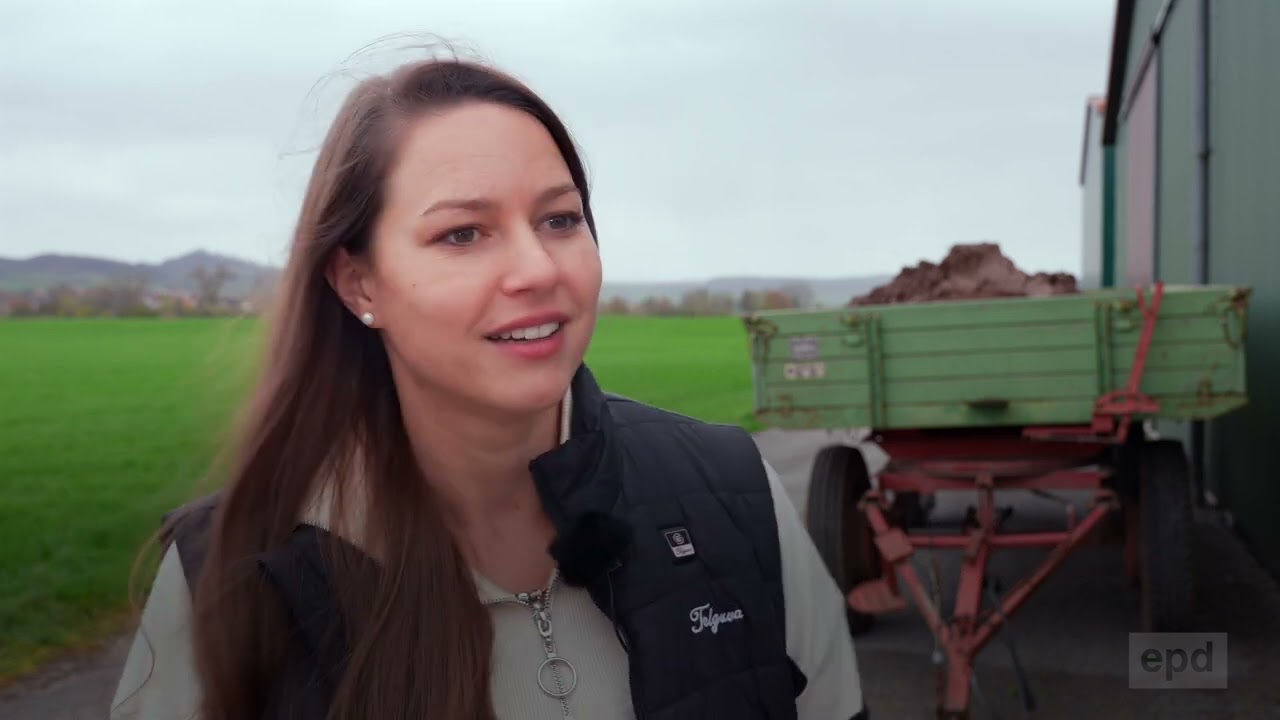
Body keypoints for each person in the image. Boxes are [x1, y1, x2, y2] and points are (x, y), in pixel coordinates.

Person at [110, 53, 867, 720]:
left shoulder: (736, 497)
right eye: (463, 234)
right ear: (357, 281)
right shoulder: (235, 572)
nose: (539, 269)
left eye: (561, 219)